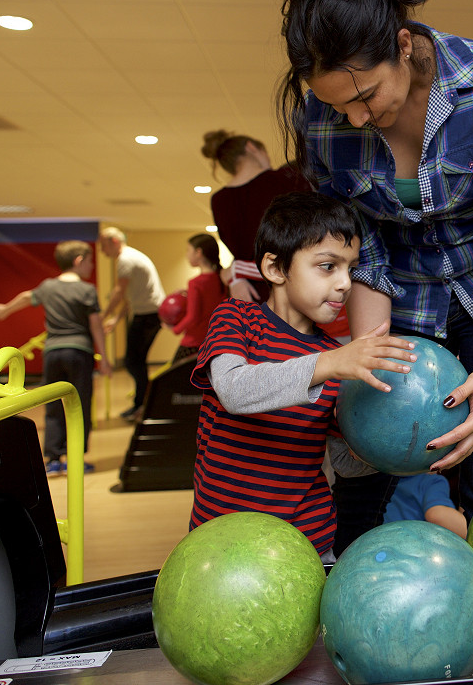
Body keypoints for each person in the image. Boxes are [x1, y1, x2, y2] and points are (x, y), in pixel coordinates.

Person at [277, 0, 473, 522]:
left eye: (365, 96)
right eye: (334, 104)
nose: (352, 118)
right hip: (397, 292)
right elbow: (363, 249)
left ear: (403, 46)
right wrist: (367, 358)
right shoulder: (322, 122)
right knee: (366, 469)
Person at [188, 192, 418, 559]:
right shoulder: (236, 319)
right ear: (275, 269)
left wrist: (403, 443)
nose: (345, 283)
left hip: (307, 545)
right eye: (328, 266)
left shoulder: (335, 358)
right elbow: (234, 390)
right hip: (221, 543)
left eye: (351, 268)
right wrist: (329, 364)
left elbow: (343, 461)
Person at [0, 241, 111, 476]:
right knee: (80, 404)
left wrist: (4, 311)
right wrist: (103, 357)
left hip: (52, 353)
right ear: (79, 261)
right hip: (78, 352)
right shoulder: (86, 290)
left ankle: (52, 458)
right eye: (90, 261)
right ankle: (75, 459)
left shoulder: (48, 286)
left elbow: (25, 296)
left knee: (53, 405)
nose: (92, 266)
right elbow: (96, 326)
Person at [200, 129, 313, 302]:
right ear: (251, 147)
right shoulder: (285, 179)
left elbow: (240, 252)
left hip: (250, 296)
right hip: (294, 290)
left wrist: (235, 274)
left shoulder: (219, 200)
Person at [99, 227, 166, 420]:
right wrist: (116, 319)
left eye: (103, 245)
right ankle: (142, 404)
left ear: (114, 242)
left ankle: (143, 405)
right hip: (146, 314)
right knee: (136, 362)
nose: (102, 251)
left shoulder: (126, 260)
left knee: (133, 361)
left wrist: (103, 317)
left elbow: (119, 292)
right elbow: (131, 297)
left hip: (148, 315)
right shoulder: (131, 257)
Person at [166, 233, 227, 364]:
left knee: (175, 380)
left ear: (198, 252)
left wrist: (174, 329)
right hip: (217, 342)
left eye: (188, 250)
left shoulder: (196, 283)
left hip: (194, 343)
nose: (187, 255)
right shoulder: (222, 279)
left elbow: (193, 317)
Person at [381, 473, 468, 538]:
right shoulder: (430, 481)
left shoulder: (378, 478)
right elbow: (438, 516)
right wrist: (469, 510)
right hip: (406, 548)